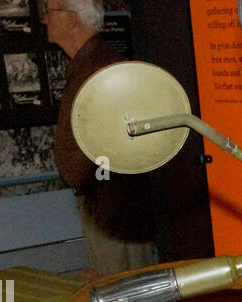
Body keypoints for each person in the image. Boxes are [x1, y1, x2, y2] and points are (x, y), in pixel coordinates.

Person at [45, 0, 158, 275]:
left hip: (117, 209)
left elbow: (117, 140)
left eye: (48, 12)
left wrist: (79, 173)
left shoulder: (100, 68)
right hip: (104, 205)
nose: (44, 20)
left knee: (128, 291)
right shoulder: (90, 64)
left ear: (71, 19)